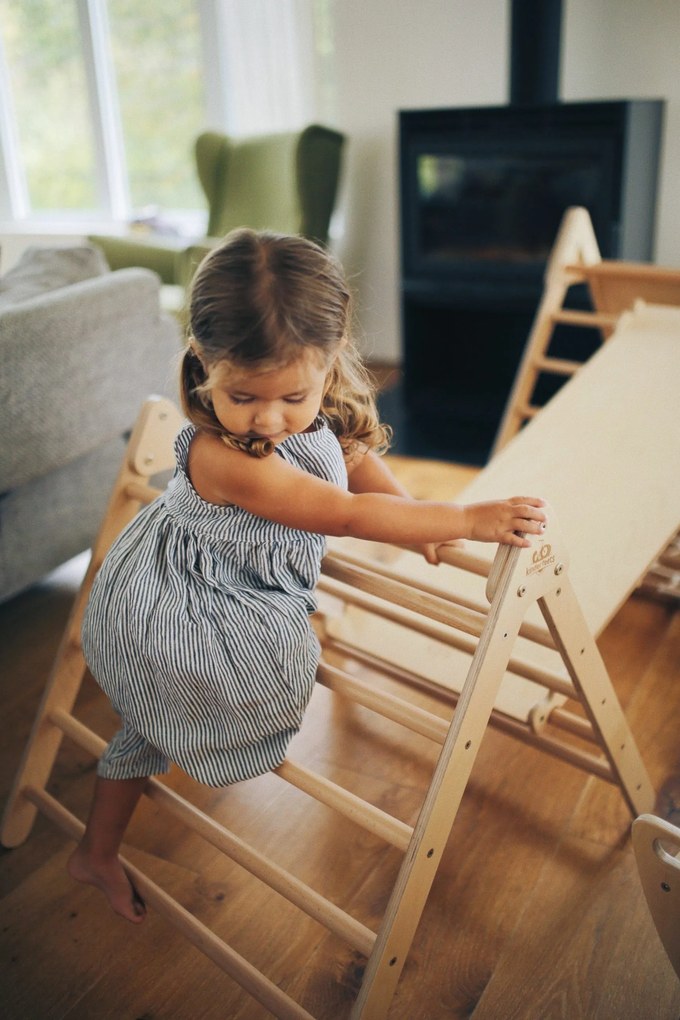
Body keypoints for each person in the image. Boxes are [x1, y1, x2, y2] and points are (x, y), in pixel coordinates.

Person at [68, 228, 547, 923]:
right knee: (162, 714)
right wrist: (464, 519)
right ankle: (102, 848)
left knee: (142, 730)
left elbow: (351, 457)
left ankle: (106, 834)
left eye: (292, 397)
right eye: (242, 397)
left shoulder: (310, 399)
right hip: (182, 608)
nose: (267, 419)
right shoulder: (223, 456)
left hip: (212, 581)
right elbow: (343, 514)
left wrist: (416, 519)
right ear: (204, 366)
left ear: (330, 359)